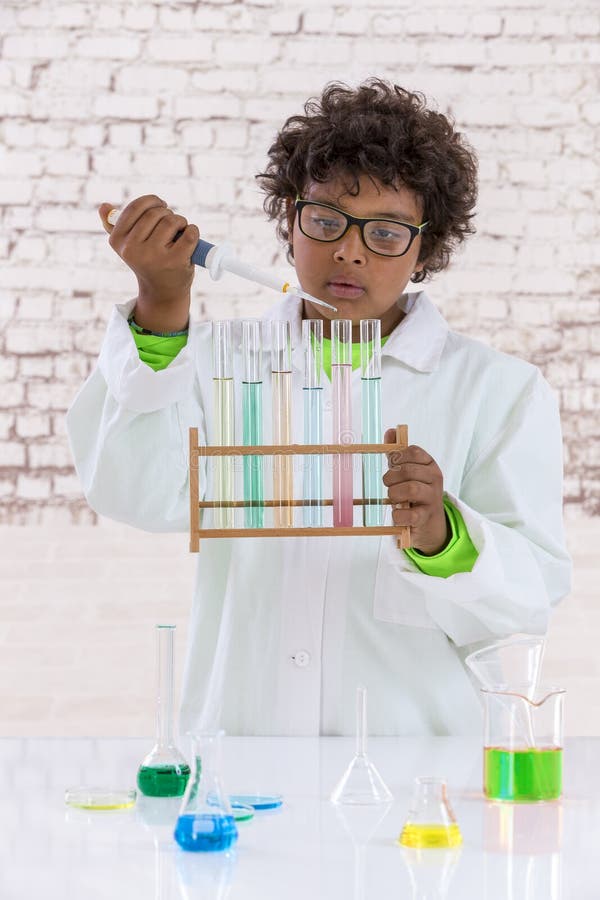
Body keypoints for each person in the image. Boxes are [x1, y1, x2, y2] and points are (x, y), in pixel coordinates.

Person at [67, 79, 571, 736]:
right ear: (289, 220)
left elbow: (526, 605)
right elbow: (132, 491)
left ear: (426, 248)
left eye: (387, 233)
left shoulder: (498, 391)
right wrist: (162, 308)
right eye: (326, 220)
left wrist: (443, 537)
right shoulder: (216, 360)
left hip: (412, 768)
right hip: (245, 753)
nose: (349, 250)